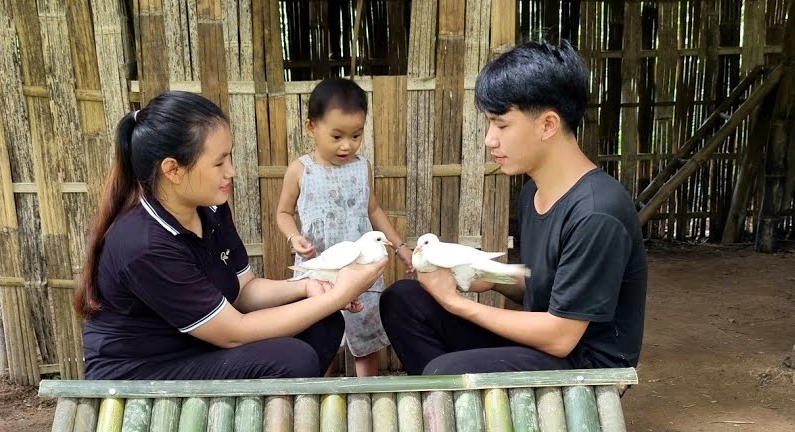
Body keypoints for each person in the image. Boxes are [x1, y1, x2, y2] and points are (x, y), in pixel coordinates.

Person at [75, 91, 386, 381]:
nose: (231, 171)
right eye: (219, 162)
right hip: (141, 370)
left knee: (323, 323)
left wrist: (307, 287)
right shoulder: (144, 244)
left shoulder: (210, 208)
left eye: (230, 157)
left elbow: (244, 290)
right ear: (173, 170)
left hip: (199, 342)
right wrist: (338, 295)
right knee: (294, 358)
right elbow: (232, 332)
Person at [380, 41, 647, 376]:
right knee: (402, 301)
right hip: (543, 344)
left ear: (548, 125)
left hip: (585, 365)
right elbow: (541, 287)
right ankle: (448, 401)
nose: (489, 139)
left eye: (501, 125)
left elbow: (561, 337)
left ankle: (449, 395)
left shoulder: (596, 213)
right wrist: (487, 276)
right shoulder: (534, 191)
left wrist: (454, 302)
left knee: (445, 371)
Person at [275, 78, 410, 378]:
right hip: (320, 275)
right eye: (336, 136)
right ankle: (324, 398)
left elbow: (373, 211)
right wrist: (293, 236)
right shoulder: (301, 170)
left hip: (363, 273)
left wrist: (401, 248)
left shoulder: (362, 167)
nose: (347, 145)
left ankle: (369, 394)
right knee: (322, 339)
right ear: (312, 127)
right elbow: (283, 213)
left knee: (367, 339)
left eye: (356, 135)